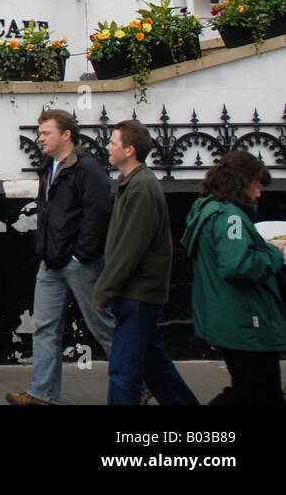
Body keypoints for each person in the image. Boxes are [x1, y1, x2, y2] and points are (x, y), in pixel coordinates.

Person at [6, 108, 114, 406]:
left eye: (46, 133)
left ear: (66, 134)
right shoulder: (48, 167)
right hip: (51, 262)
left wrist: (81, 255)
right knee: (44, 327)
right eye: (39, 133)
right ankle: (42, 394)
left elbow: (98, 212)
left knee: (102, 325)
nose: (40, 138)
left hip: (79, 264)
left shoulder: (87, 167)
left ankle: (139, 384)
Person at [92, 120, 197, 405]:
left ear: (129, 150)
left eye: (113, 142)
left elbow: (130, 247)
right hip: (135, 293)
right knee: (156, 367)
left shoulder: (140, 188)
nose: (107, 147)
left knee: (123, 370)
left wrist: (104, 290)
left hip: (136, 294)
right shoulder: (133, 183)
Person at [181, 150, 286, 405]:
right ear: (243, 182)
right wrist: (274, 252)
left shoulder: (208, 209)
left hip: (229, 318)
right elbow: (238, 266)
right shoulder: (231, 218)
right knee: (256, 393)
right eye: (257, 185)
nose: (259, 194)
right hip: (244, 321)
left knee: (254, 391)